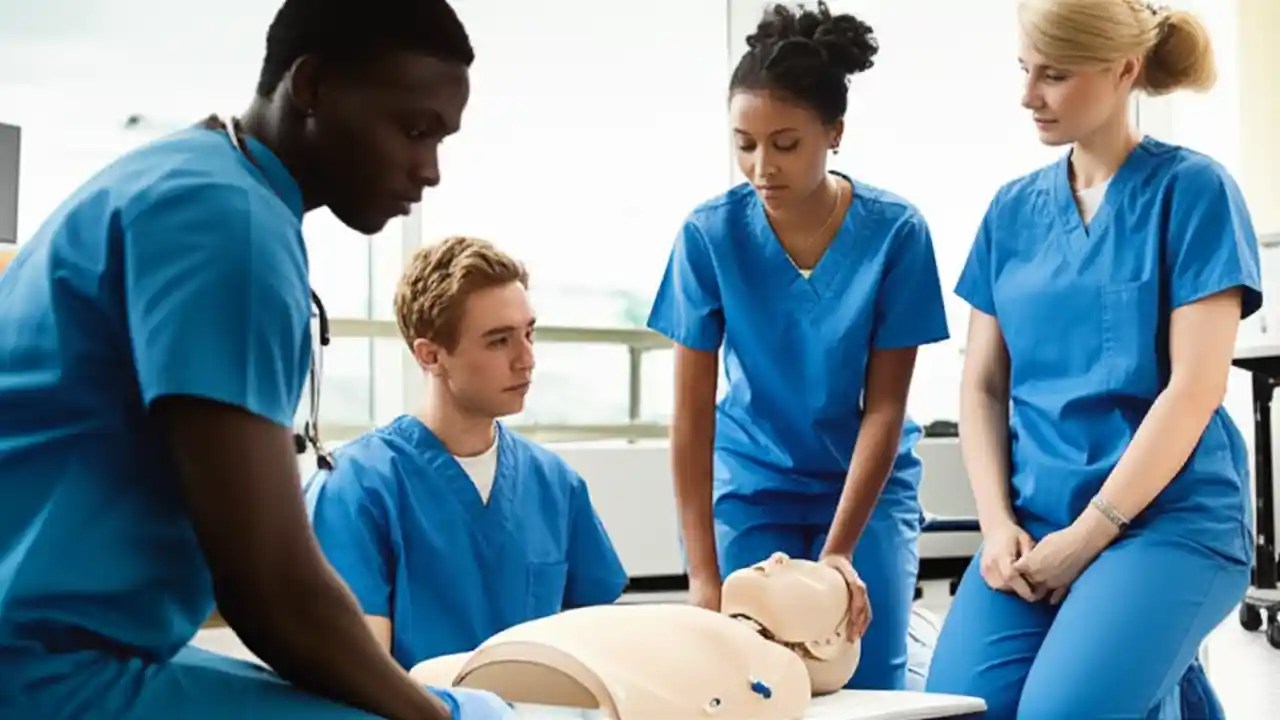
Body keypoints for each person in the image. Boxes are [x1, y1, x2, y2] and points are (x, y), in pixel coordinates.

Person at [0, 0, 515, 718]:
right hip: (46, 676)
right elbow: (271, 588)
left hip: (66, 641)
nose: (428, 169)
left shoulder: (189, 175)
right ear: (311, 88)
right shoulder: (228, 226)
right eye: (413, 129)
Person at [924, 1, 1260, 718]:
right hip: (1035, 520)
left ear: (1125, 70)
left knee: (1062, 713)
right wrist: (996, 523)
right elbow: (983, 386)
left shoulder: (1193, 193)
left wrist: (1091, 534)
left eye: (1054, 75)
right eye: (1024, 70)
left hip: (1170, 519)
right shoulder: (1011, 212)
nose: (1027, 95)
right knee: (959, 710)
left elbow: (1196, 388)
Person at [646, 1, 950, 692]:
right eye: (744, 142)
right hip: (754, 488)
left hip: (866, 490)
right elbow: (692, 416)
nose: (762, 166)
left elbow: (886, 406)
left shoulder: (896, 233)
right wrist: (702, 575)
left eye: (786, 144)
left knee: (870, 681)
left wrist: (840, 555)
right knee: (754, 683)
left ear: (834, 133)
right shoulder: (708, 236)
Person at [305, 235, 629, 671]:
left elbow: (599, 656)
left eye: (529, 333)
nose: (526, 359)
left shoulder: (555, 484)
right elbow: (357, 677)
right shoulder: (355, 488)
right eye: (499, 341)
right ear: (431, 355)